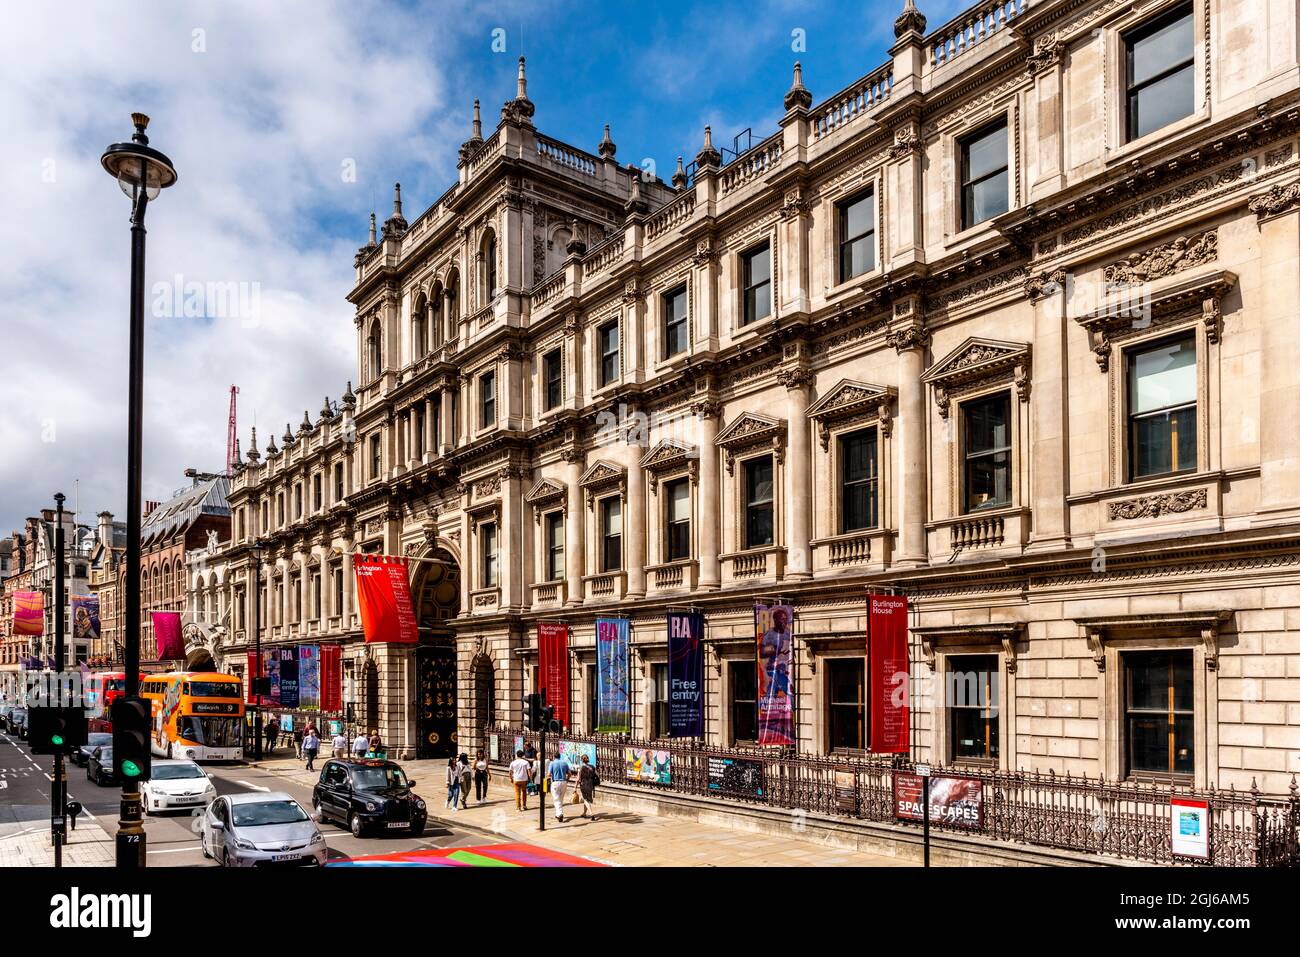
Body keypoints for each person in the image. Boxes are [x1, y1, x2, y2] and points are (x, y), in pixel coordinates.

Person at [546, 749, 572, 823]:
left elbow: (549, 774)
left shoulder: (552, 763)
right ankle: (558, 813)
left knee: (556, 799)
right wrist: (567, 780)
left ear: (554, 757)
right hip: (564, 782)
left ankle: (559, 814)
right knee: (561, 799)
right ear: (560, 756)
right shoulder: (564, 763)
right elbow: (569, 773)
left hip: (556, 782)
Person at [576, 753, 600, 820]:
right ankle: (584, 813)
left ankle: (591, 813)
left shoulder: (581, 768)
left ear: (582, 760)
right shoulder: (592, 767)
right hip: (590, 784)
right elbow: (597, 775)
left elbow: (578, 778)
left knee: (585, 799)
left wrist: (575, 787)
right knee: (587, 798)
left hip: (583, 784)